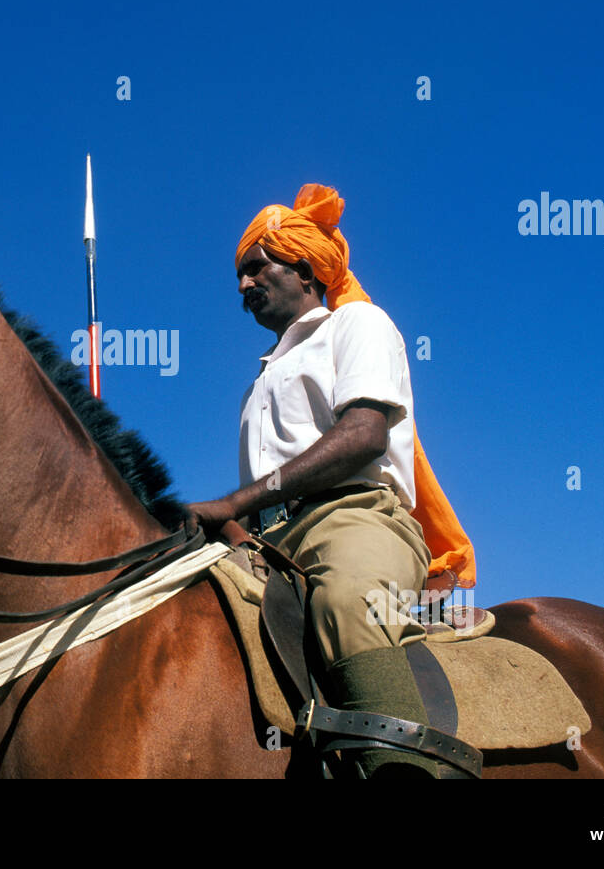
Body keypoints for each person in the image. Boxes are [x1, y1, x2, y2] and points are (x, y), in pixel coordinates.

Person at [183, 183, 475, 778]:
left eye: (255, 267)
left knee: (349, 604)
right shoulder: (255, 386)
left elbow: (364, 435)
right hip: (270, 546)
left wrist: (234, 500)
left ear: (305, 265)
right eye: (239, 276)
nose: (243, 285)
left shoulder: (359, 325)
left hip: (355, 519)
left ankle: (403, 773)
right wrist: (228, 528)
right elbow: (260, 498)